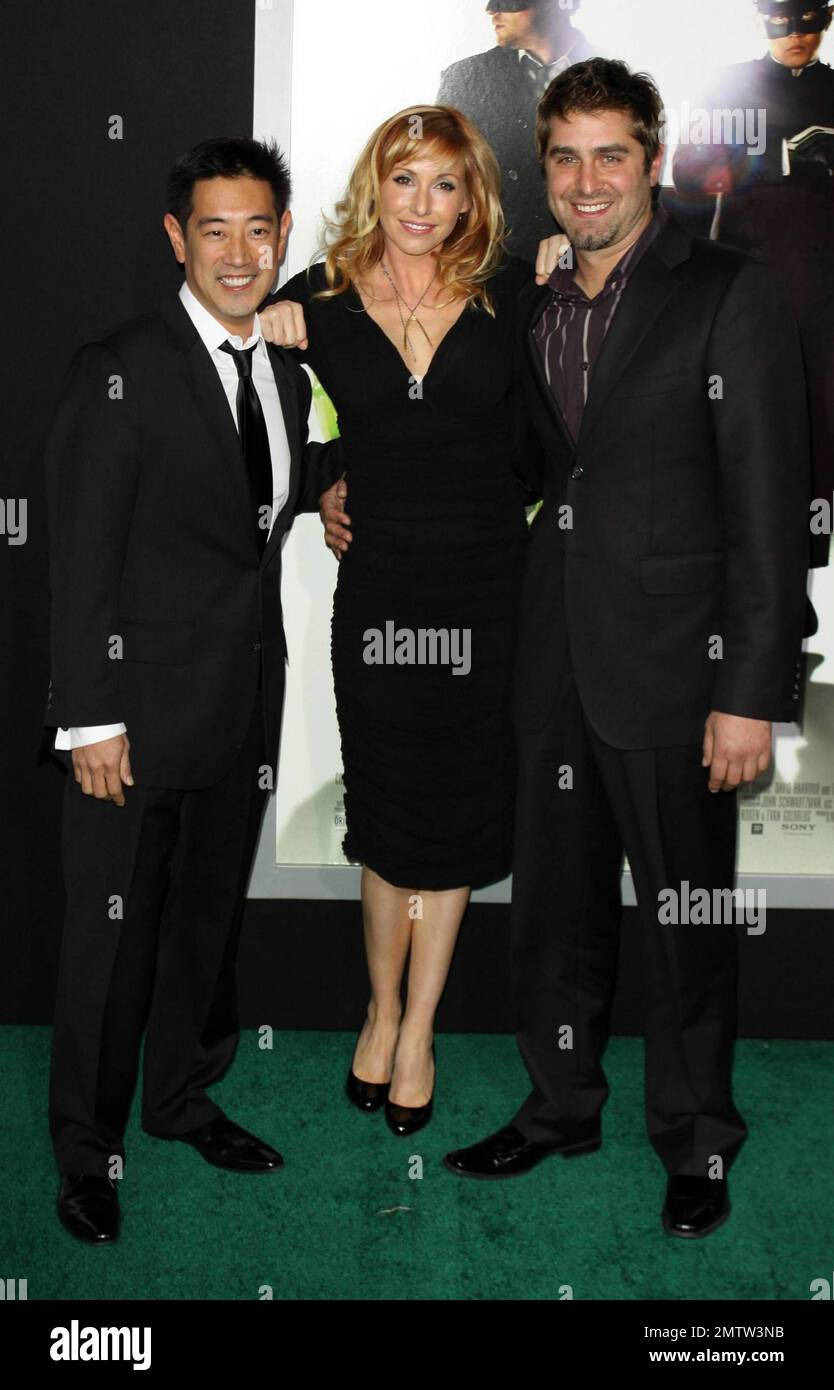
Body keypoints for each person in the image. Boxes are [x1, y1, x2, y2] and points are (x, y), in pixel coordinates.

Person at [443, 60, 811, 1239]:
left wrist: (750, 690)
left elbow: (769, 507)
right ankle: (559, 1106)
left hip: (678, 663)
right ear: (540, 168)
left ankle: (698, 1137)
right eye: (564, 156)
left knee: (685, 914)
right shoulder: (530, 298)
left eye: (611, 155)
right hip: (551, 657)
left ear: (652, 159)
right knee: (553, 911)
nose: (587, 179)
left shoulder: (729, 294)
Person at [44, 136, 341, 1244]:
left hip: (240, 704)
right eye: (212, 228)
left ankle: (176, 1098)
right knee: (107, 944)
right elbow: (80, 554)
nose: (236, 250)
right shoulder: (117, 365)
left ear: (281, 237)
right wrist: (90, 716)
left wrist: (331, 485)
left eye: (257, 228)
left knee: (201, 927)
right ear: (177, 238)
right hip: (128, 719)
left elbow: (255, 488)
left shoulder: (285, 365)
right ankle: (86, 1150)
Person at [260, 106, 538, 1138]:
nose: (425, 206)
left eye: (447, 185)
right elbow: (260, 422)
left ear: (475, 197)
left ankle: (418, 1026)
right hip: (378, 593)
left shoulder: (516, 293)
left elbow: (551, 435)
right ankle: (377, 1010)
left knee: (457, 817)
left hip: (485, 590)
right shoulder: (318, 301)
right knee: (387, 811)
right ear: (377, 185)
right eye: (406, 180)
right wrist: (329, 477)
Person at [670, 0, 834, 565]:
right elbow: (688, 172)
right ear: (762, 21)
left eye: (810, 21)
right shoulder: (733, 85)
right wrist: (783, 158)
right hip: (744, 286)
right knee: (738, 423)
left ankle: (795, 594)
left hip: (822, 298)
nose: (796, 35)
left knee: (814, 433)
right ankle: (732, 577)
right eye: (781, 21)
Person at [438, 1, 595, 261]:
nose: (491, 10)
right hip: (489, 267)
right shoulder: (466, 79)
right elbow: (441, 177)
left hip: (587, 265)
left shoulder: (616, 76)